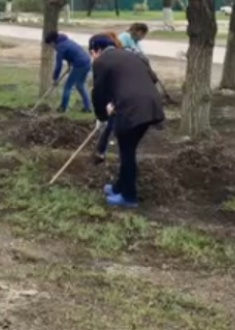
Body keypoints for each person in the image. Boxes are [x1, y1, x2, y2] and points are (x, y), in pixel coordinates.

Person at [90, 33, 165, 207]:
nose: (92, 56)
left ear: (96, 50)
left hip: (132, 109)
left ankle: (129, 197)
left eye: (92, 53)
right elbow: (152, 78)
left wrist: (101, 116)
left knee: (127, 152)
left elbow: (98, 92)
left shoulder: (101, 61)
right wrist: (117, 101)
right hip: (151, 105)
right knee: (127, 148)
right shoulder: (132, 54)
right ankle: (118, 187)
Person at [44, 31, 92, 113]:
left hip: (80, 65)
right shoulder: (66, 41)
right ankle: (88, 108)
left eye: (50, 45)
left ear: (52, 42)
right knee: (80, 85)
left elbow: (58, 65)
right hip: (87, 62)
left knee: (67, 87)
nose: (51, 47)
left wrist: (55, 78)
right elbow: (72, 54)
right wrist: (70, 65)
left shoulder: (60, 47)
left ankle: (63, 108)